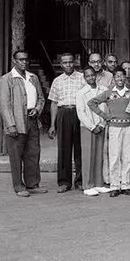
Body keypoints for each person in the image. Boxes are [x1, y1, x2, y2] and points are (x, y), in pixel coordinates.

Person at [0, 49, 47, 197]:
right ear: (14, 61)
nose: (24, 62)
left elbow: (41, 98)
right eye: (20, 59)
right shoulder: (7, 79)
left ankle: (32, 184)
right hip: (16, 121)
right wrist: (10, 124)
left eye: (26, 59)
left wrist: (37, 109)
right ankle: (19, 186)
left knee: (33, 153)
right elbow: (4, 104)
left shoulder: (33, 78)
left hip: (32, 120)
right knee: (16, 155)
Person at [88, 68, 130, 197]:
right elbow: (91, 103)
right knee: (114, 156)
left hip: (128, 127)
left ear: (125, 78)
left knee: (127, 156)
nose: (119, 78)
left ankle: (125, 185)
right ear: (113, 79)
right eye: (117, 76)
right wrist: (105, 115)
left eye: (122, 76)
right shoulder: (108, 93)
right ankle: (115, 185)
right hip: (114, 127)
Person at [47, 52, 84, 192]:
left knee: (79, 148)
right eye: (65, 62)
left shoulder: (82, 78)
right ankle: (64, 181)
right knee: (64, 149)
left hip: (78, 113)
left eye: (70, 62)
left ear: (74, 62)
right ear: (61, 64)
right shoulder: (57, 80)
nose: (68, 65)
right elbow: (54, 103)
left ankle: (80, 180)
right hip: (63, 113)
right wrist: (52, 124)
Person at [76, 66, 110, 196]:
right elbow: (81, 113)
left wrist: (101, 124)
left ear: (96, 75)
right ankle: (87, 185)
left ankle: (98, 183)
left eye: (92, 75)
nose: (91, 78)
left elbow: (106, 108)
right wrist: (92, 126)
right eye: (87, 76)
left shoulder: (104, 90)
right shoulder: (81, 93)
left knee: (99, 156)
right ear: (84, 78)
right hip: (87, 127)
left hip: (101, 126)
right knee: (88, 156)